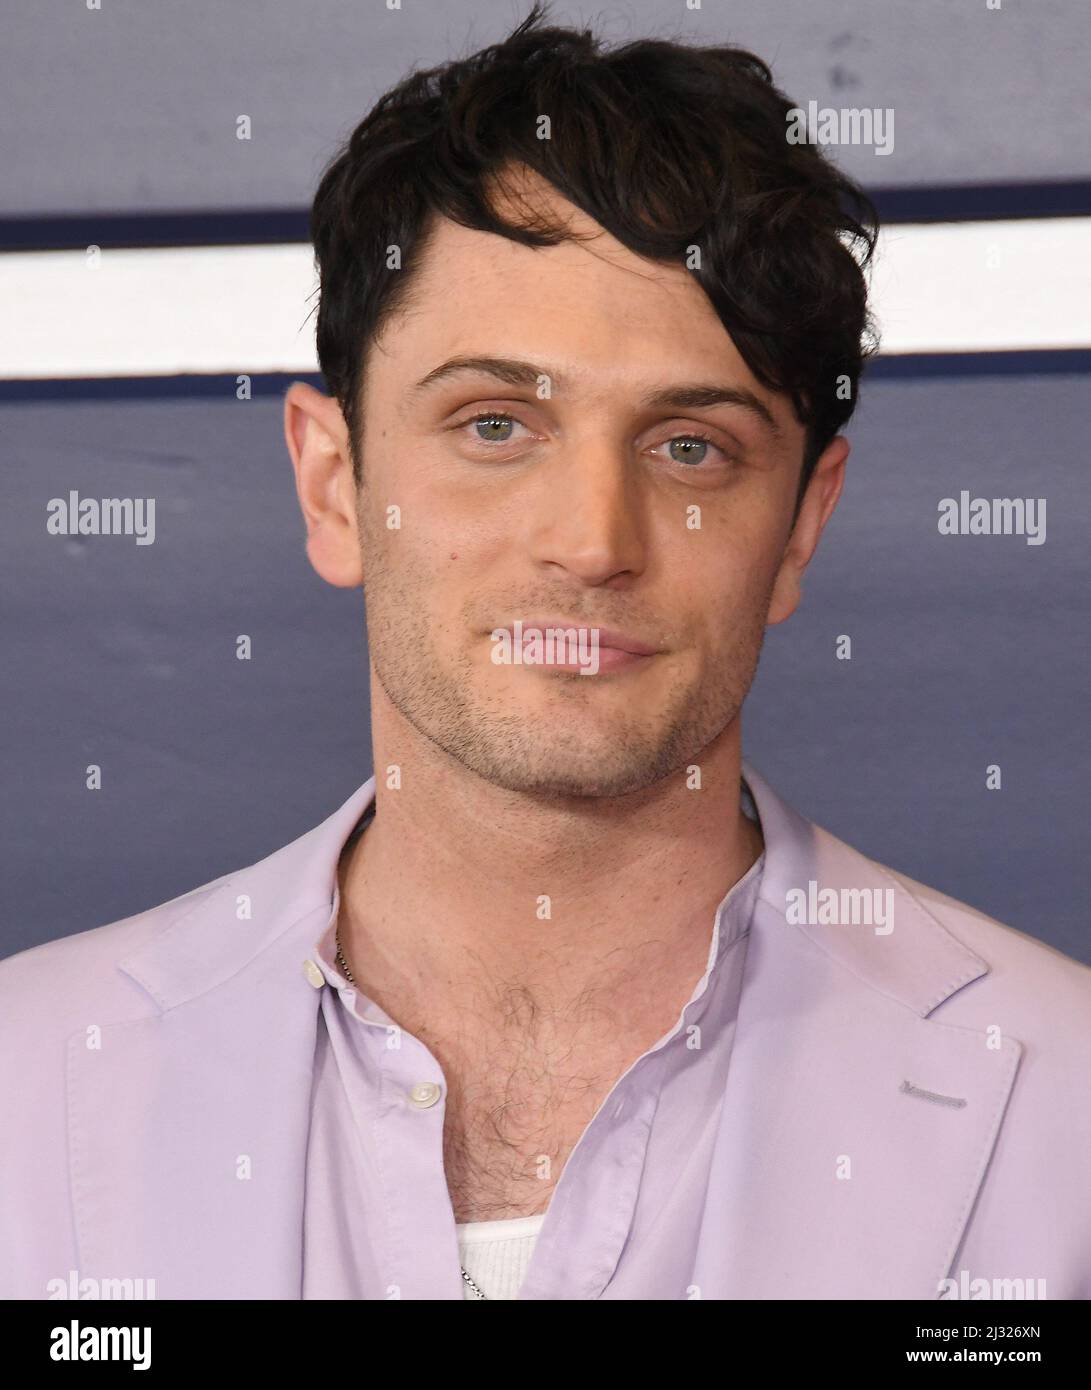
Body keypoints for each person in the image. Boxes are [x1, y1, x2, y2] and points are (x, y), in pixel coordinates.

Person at [2, 3, 1088, 1301]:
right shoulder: (31, 1083)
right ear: (335, 485)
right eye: (495, 424)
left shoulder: (1060, 1103)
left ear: (802, 523)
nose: (592, 538)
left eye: (691, 445)